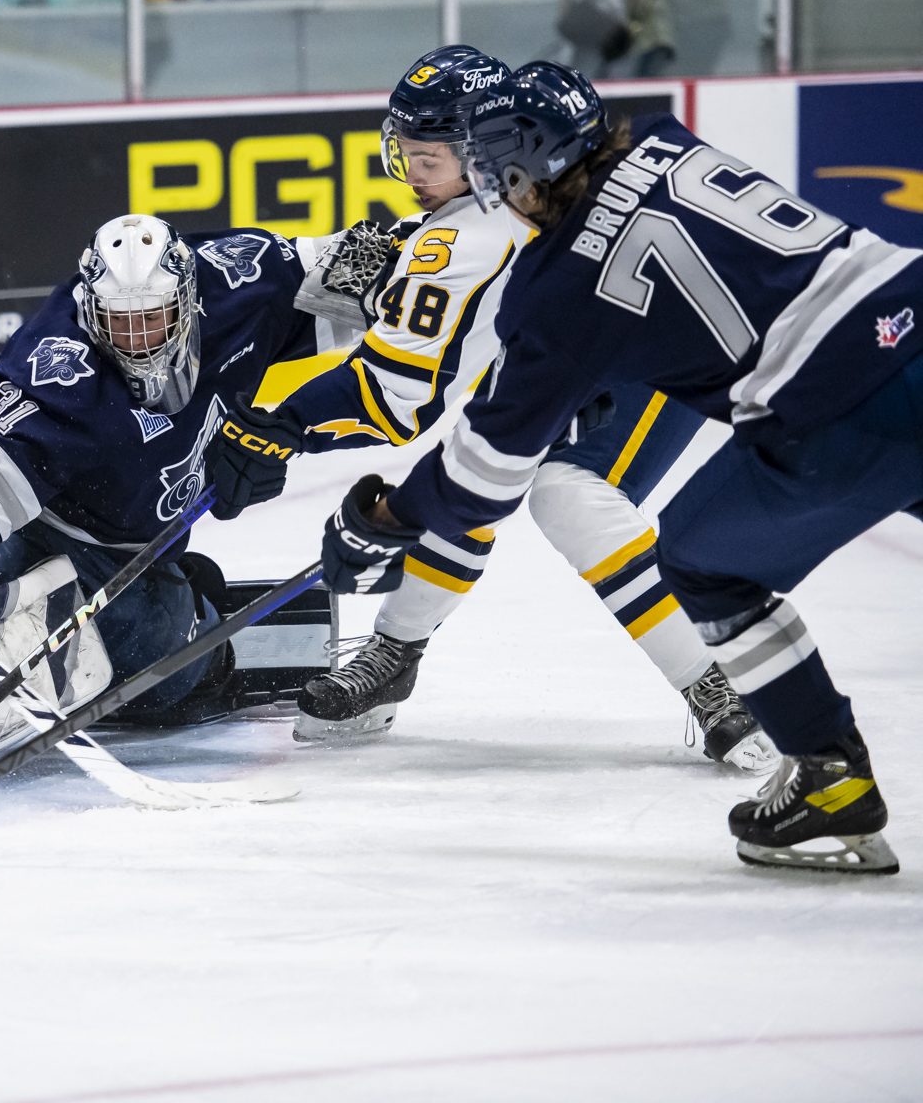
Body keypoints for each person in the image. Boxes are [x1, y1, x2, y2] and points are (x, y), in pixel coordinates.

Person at [315, 60, 920, 875]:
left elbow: (482, 476)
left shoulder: (560, 288)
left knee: (705, 565)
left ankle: (829, 777)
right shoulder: (664, 140)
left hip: (838, 401)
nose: (491, 190)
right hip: (905, 297)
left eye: (493, 172)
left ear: (521, 165)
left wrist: (386, 519)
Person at [204, 47, 771, 770]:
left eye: (430, 159)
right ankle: (394, 654)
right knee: (476, 461)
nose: (411, 173)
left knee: (563, 492)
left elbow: (393, 396)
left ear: (484, 154)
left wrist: (278, 429)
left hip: (658, 353)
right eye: (403, 153)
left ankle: (716, 686)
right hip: (633, 332)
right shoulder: (507, 194)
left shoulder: (471, 234)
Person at [0, 212, 339, 788]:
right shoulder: (62, 362)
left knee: (174, 676)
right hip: (37, 534)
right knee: (1, 617)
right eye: (118, 322)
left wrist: (287, 433)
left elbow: (398, 274)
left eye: (153, 319)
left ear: (188, 299)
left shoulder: (243, 282)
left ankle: (199, 619)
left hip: (136, 562)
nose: (136, 341)